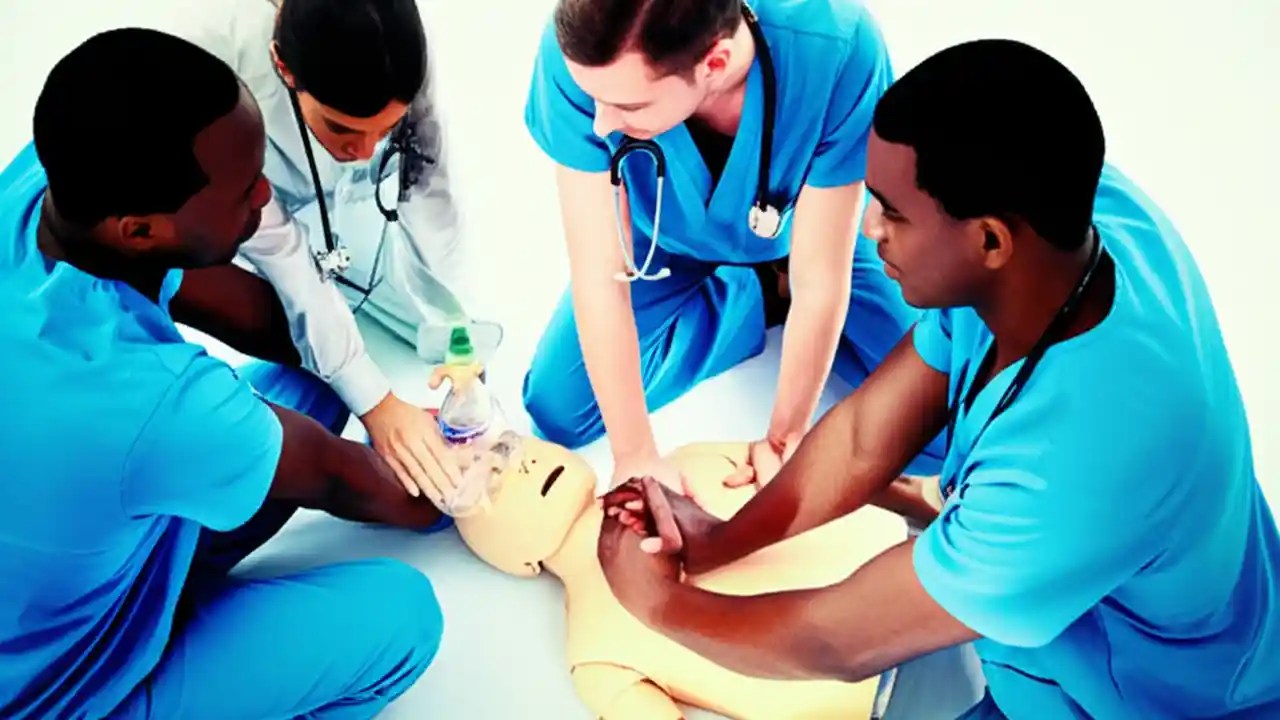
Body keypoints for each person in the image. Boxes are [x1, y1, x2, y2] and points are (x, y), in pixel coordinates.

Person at [597, 38, 1280, 719]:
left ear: (990, 241)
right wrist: (721, 540)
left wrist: (660, 604)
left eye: (892, 212)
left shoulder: (1078, 470)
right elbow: (864, 438)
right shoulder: (1064, 219)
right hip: (1100, 607)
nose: (869, 229)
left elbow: (839, 641)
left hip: (1149, 701)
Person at [0, 29, 447, 719]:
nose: (266, 193)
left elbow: (267, 323)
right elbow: (342, 480)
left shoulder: (45, 190)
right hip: (52, 690)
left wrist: (369, 391)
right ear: (139, 230)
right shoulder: (150, 400)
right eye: (242, 190)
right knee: (404, 618)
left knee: (316, 378)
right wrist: (463, 474)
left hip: (53, 570)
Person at [521, 0, 945, 489]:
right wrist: (634, 454)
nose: (600, 125)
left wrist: (784, 438)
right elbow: (601, 277)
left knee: (934, 429)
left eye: (630, 107)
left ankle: (780, 283)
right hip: (665, 239)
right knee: (559, 410)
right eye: (593, 98)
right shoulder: (584, 47)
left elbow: (820, 278)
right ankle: (759, 295)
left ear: (715, 63)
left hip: (817, 232)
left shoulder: (838, 45)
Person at [165, 0, 495, 504]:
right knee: (310, 351)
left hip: (338, 206)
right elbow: (281, 249)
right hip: (246, 211)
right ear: (283, 66)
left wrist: (455, 326)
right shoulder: (212, 59)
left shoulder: (396, 50)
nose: (364, 152)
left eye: (384, 131)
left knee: (424, 324)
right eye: (342, 129)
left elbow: (430, 190)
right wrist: (377, 405)